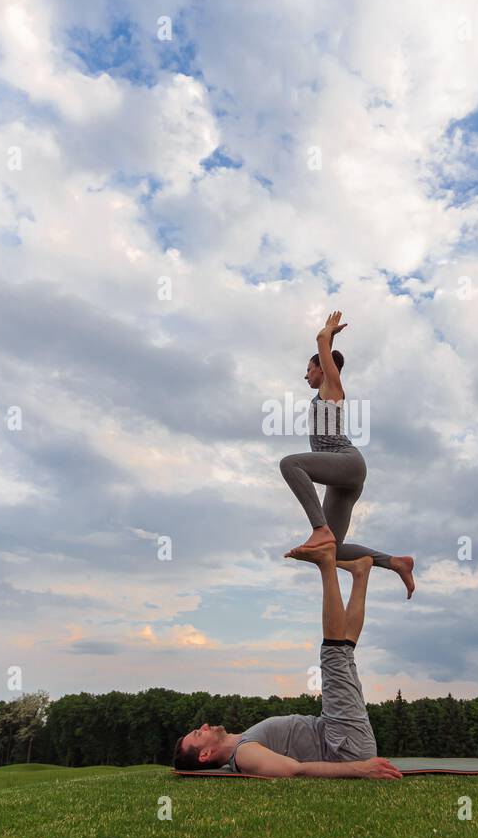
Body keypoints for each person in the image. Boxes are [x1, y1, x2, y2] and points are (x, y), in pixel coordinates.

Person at [172, 545, 402, 779]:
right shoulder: (243, 754)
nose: (204, 726)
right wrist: (361, 769)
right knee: (333, 655)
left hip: (337, 735)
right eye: (199, 734)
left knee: (343, 652)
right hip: (343, 747)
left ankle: (360, 574)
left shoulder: (243, 740)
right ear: (205, 755)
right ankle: (326, 564)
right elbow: (294, 770)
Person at [279, 310, 416, 599]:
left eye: (309, 368)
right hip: (341, 480)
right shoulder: (324, 392)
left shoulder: (332, 386)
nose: (306, 374)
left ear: (321, 369)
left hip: (348, 463)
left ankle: (319, 530)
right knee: (335, 549)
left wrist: (326, 335)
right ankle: (396, 562)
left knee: (290, 464)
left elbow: (320, 342)